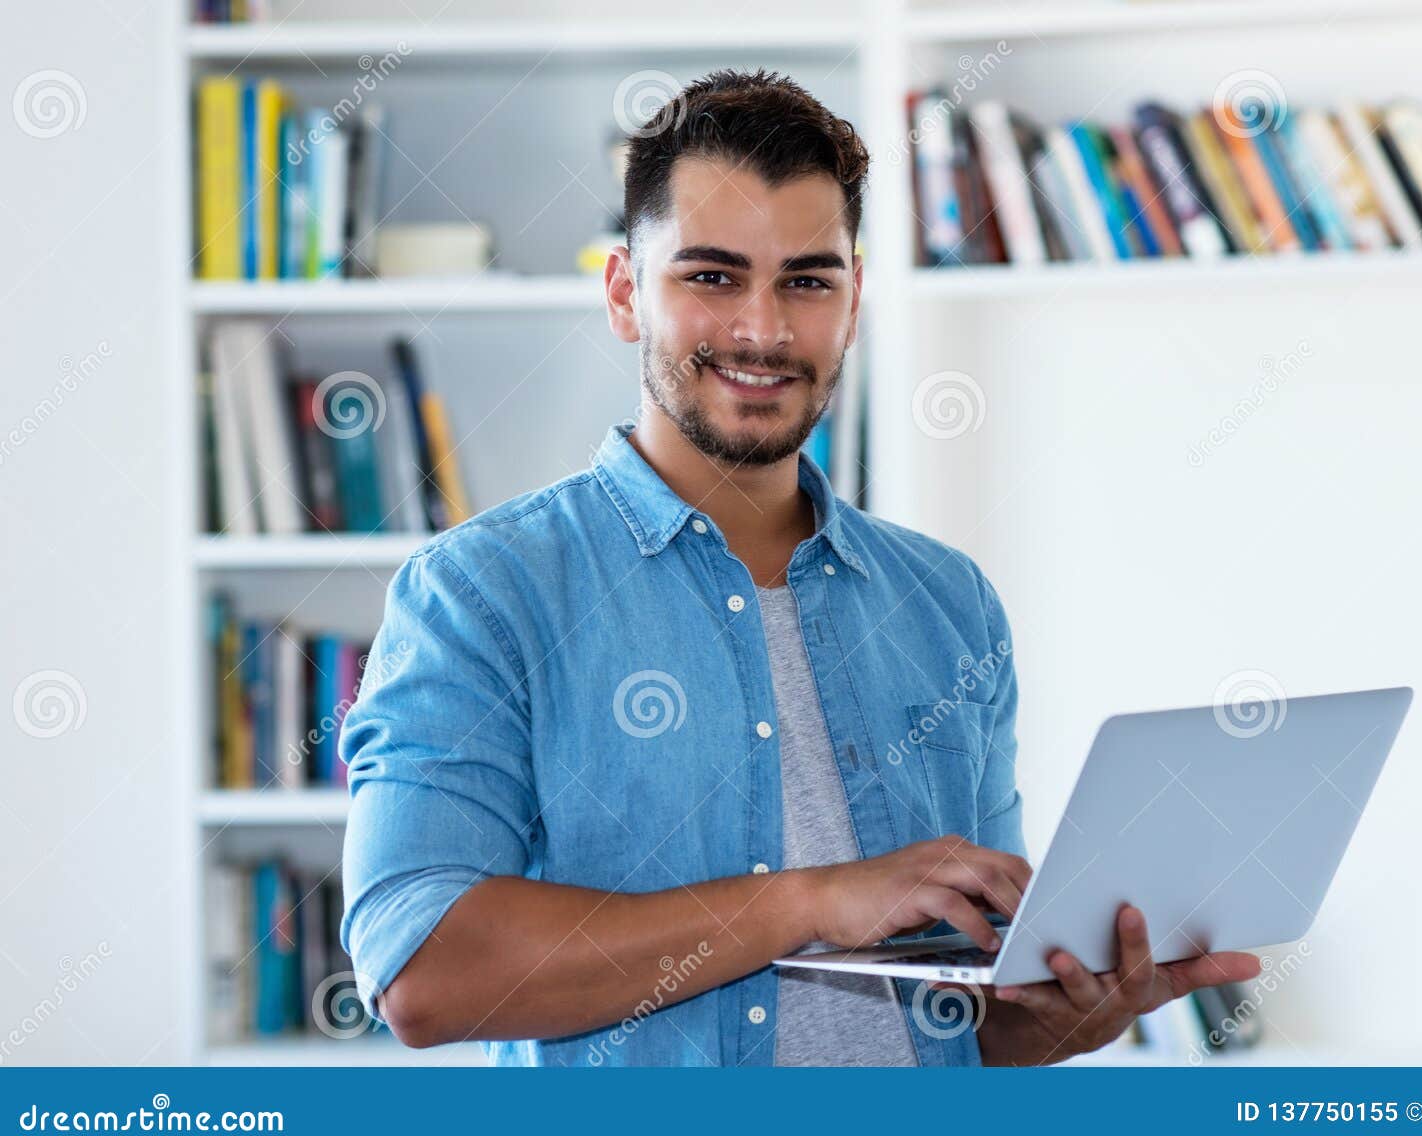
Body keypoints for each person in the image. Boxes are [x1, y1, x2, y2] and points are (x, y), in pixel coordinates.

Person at [338, 68, 1259, 1067]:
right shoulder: (482, 593)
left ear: (853, 300)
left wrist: (1078, 1007)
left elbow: (972, 1014)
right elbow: (423, 972)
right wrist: (810, 900)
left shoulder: (949, 604)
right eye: (710, 276)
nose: (763, 329)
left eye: (806, 280)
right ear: (623, 294)